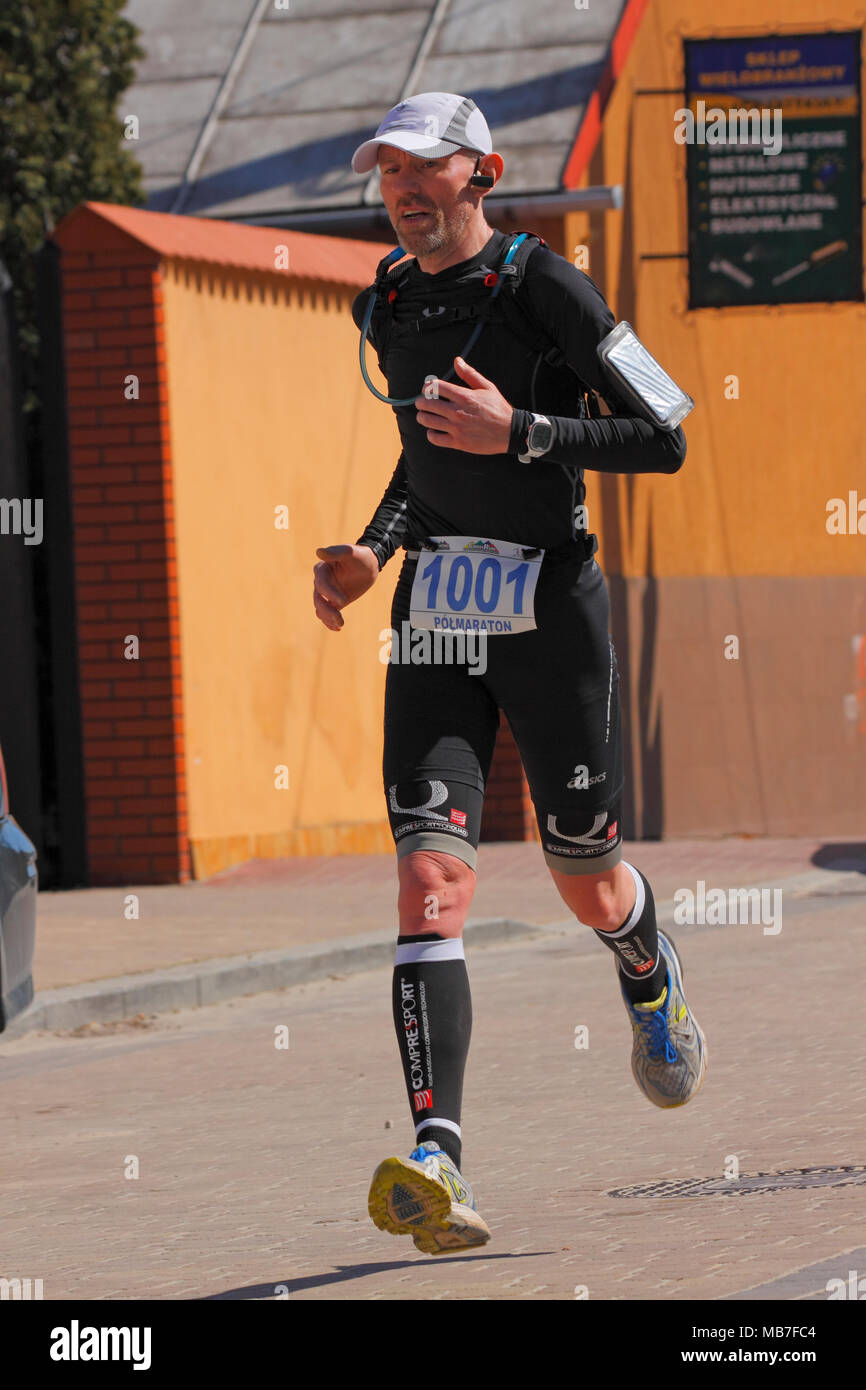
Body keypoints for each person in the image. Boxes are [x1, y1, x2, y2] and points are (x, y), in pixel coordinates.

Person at [313, 92, 707, 1255]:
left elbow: (669, 432)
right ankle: (438, 1154)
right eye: (386, 171)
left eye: (424, 168)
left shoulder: (548, 289)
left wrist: (525, 433)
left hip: (547, 607)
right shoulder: (383, 301)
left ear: (481, 173)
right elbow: (415, 450)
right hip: (436, 613)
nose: (401, 188)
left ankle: (645, 962)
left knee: (582, 872)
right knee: (431, 882)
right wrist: (371, 552)